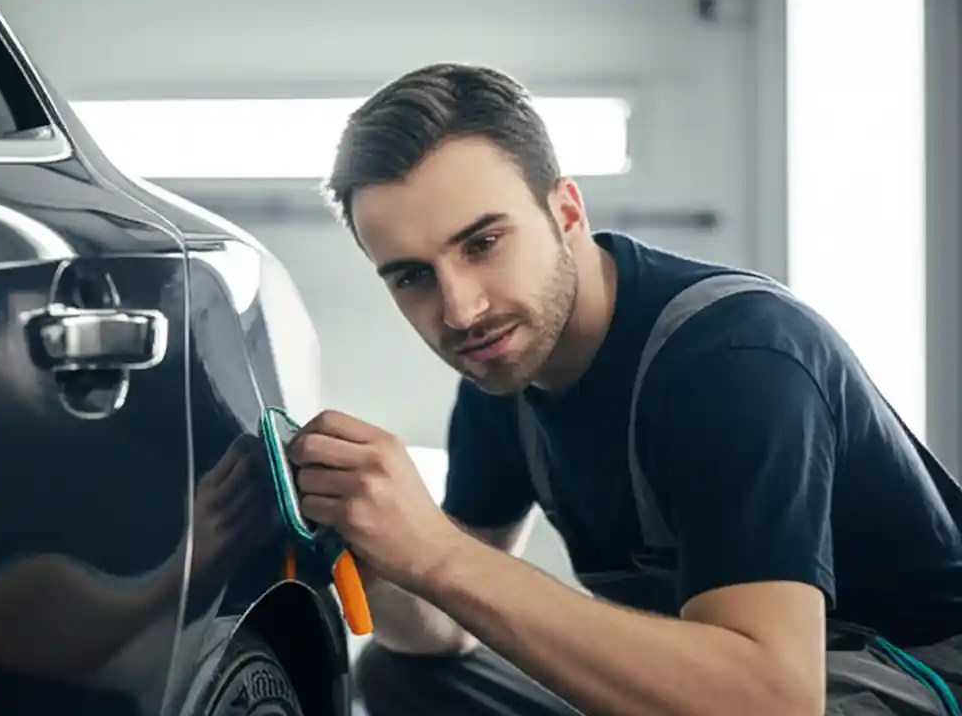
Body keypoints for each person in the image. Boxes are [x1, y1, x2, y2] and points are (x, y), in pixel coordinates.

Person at [285, 62, 962, 715]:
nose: (461, 310)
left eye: (483, 243)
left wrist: (438, 548)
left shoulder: (734, 360)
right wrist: (383, 550)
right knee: (405, 674)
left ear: (567, 210)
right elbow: (445, 630)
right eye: (412, 277)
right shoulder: (503, 374)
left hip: (907, 672)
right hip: (731, 682)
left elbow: (772, 703)